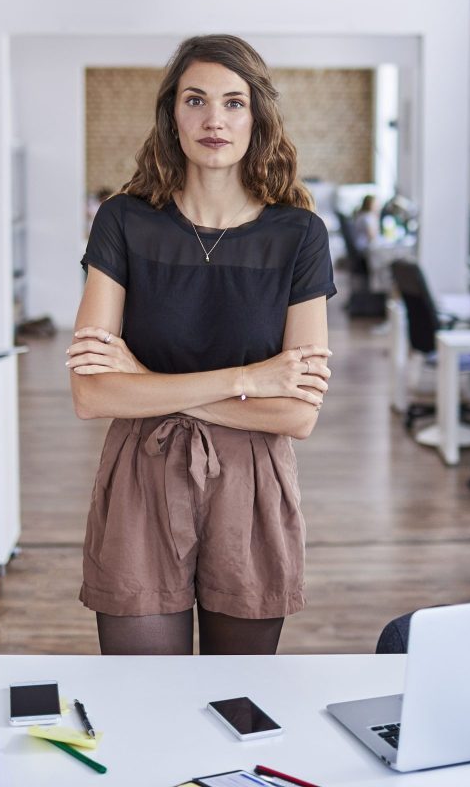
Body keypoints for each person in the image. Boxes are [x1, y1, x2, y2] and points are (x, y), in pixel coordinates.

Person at [68, 34, 336, 656]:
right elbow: (91, 394)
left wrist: (142, 380)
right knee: (142, 692)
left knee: (234, 696)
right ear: (172, 114)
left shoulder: (299, 235)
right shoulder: (123, 221)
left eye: (233, 102)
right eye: (195, 100)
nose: (214, 119)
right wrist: (248, 379)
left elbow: (296, 414)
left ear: (257, 117)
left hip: (253, 478)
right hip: (141, 472)